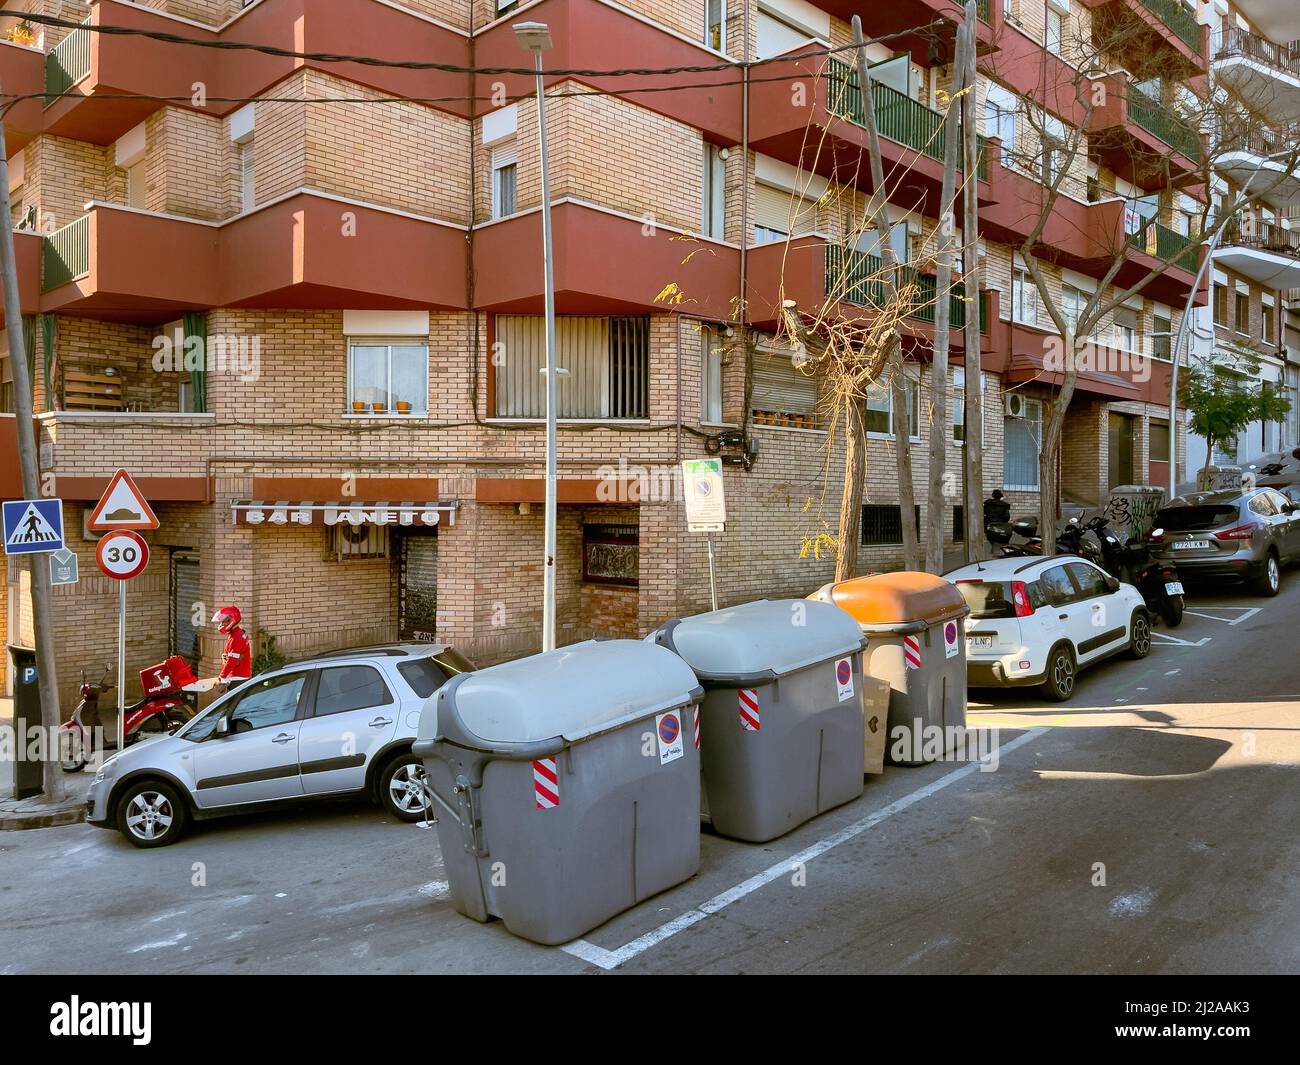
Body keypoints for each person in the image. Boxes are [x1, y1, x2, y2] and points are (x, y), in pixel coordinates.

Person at [212, 606, 252, 686]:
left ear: (232, 620)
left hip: (237, 678)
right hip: (240, 676)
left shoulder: (236, 638)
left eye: (224, 622)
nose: (221, 624)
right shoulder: (238, 633)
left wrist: (221, 677)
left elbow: (232, 661)